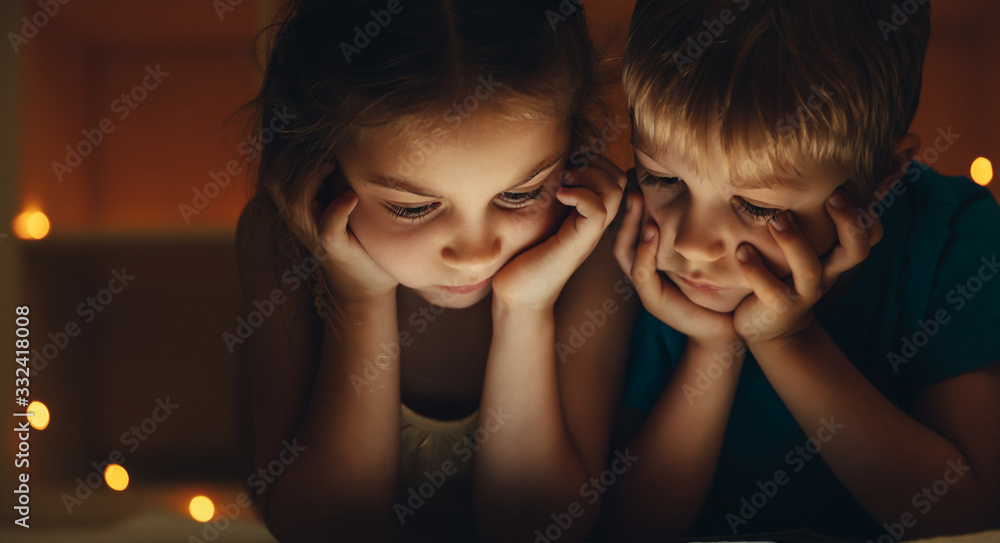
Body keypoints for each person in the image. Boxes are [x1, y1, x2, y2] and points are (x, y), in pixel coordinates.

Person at [233, 1, 634, 541]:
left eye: (520, 194)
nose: (474, 253)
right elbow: (321, 529)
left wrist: (526, 308)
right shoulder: (280, 240)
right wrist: (359, 300)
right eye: (414, 208)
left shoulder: (592, 240)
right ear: (322, 174)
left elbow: (539, 529)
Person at [607, 0, 1000, 540]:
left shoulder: (955, 238)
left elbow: (968, 516)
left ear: (881, 176)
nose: (692, 244)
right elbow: (620, 527)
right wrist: (713, 349)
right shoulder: (624, 249)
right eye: (662, 177)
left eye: (758, 206)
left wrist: (786, 339)